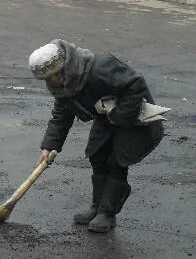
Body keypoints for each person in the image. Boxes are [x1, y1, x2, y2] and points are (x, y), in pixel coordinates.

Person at [29, 39, 164, 233]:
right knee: (97, 155)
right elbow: (61, 116)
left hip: (133, 117)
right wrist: (49, 145)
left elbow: (136, 85)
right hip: (106, 118)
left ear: (62, 68)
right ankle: (96, 207)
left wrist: (118, 115)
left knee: (116, 162)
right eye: (46, 79)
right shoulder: (63, 85)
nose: (50, 82)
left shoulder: (101, 68)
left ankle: (107, 213)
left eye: (52, 77)